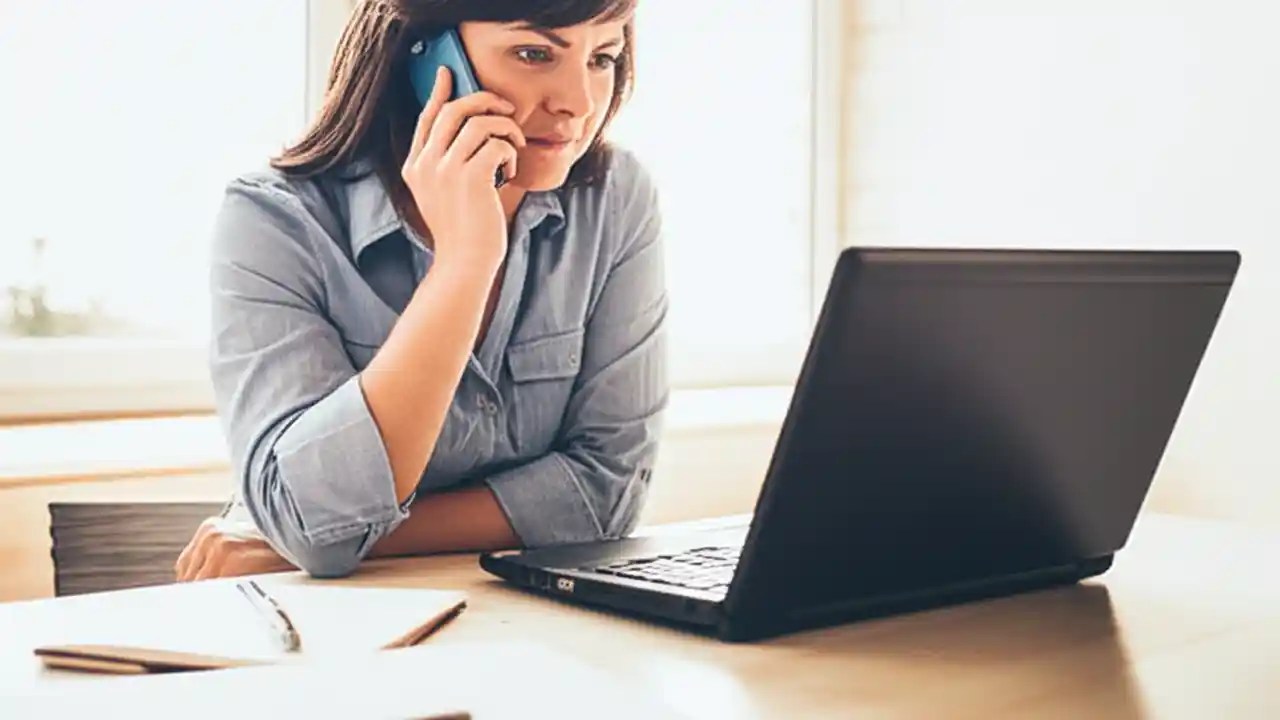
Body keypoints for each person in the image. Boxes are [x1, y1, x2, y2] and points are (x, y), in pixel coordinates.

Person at [174, 0, 666, 581]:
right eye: (534, 54)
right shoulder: (274, 221)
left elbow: (605, 494)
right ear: (427, 54)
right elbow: (310, 517)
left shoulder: (614, 198)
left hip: (524, 627)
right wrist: (464, 263)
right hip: (328, 632)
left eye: (602, 58)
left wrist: (343, 541)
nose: (578, 103)